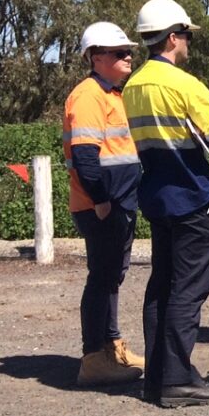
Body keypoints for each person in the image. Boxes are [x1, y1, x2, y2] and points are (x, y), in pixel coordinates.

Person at [123, 0, 209, 409]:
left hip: (155, 197)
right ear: (172, 37)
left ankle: (157, 376)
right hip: (189, 199)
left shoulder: (132, 86)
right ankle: (177, 380)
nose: (188, 43)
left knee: (161, 287)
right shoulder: (184, 84)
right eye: (186, 35)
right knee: (188, 291)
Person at [63, 21, 147, 386]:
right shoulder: (88, 96)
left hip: (118, 203)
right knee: (102, 279)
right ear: (96, 57)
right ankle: (94, 356)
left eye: (128, 51)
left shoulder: (112, 94)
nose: (128, 56)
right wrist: (100, 200)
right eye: (118, 52)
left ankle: (110, 346)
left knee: (111, 277)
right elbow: (85, 156)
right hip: (103, 206)